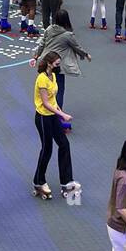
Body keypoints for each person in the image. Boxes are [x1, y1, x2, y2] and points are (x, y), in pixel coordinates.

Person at [31, 53, 77, 202]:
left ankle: (66, 181)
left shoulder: (53, 77)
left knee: (64, 144)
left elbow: (53, 100)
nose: (59, 66)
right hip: (43, 118)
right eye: (57, 64)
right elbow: (45, 103)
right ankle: (38, 181)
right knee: (47, 149)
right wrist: (62, 115)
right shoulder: (42, 78)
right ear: (50, 64)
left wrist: (61, 113)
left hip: (52, 116)